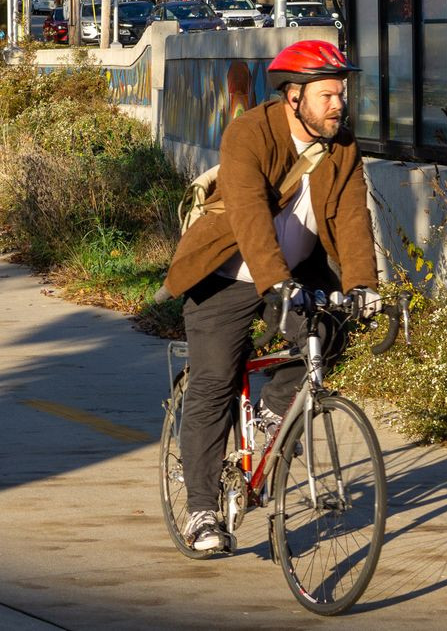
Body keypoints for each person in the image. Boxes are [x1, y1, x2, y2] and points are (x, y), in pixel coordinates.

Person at [162, 38, 381, 553]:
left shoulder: (342, 146)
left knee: (329, 329)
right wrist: (275, 285)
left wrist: (363, 285)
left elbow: (352, 217)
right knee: (214, 380)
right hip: (227, 273)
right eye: (328, 95)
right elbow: (249, 217)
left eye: (341, 94)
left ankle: (274, 413)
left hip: (296, 271)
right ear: (294, 97)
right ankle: (202, 510)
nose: (339, 104)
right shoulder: (250, 134)